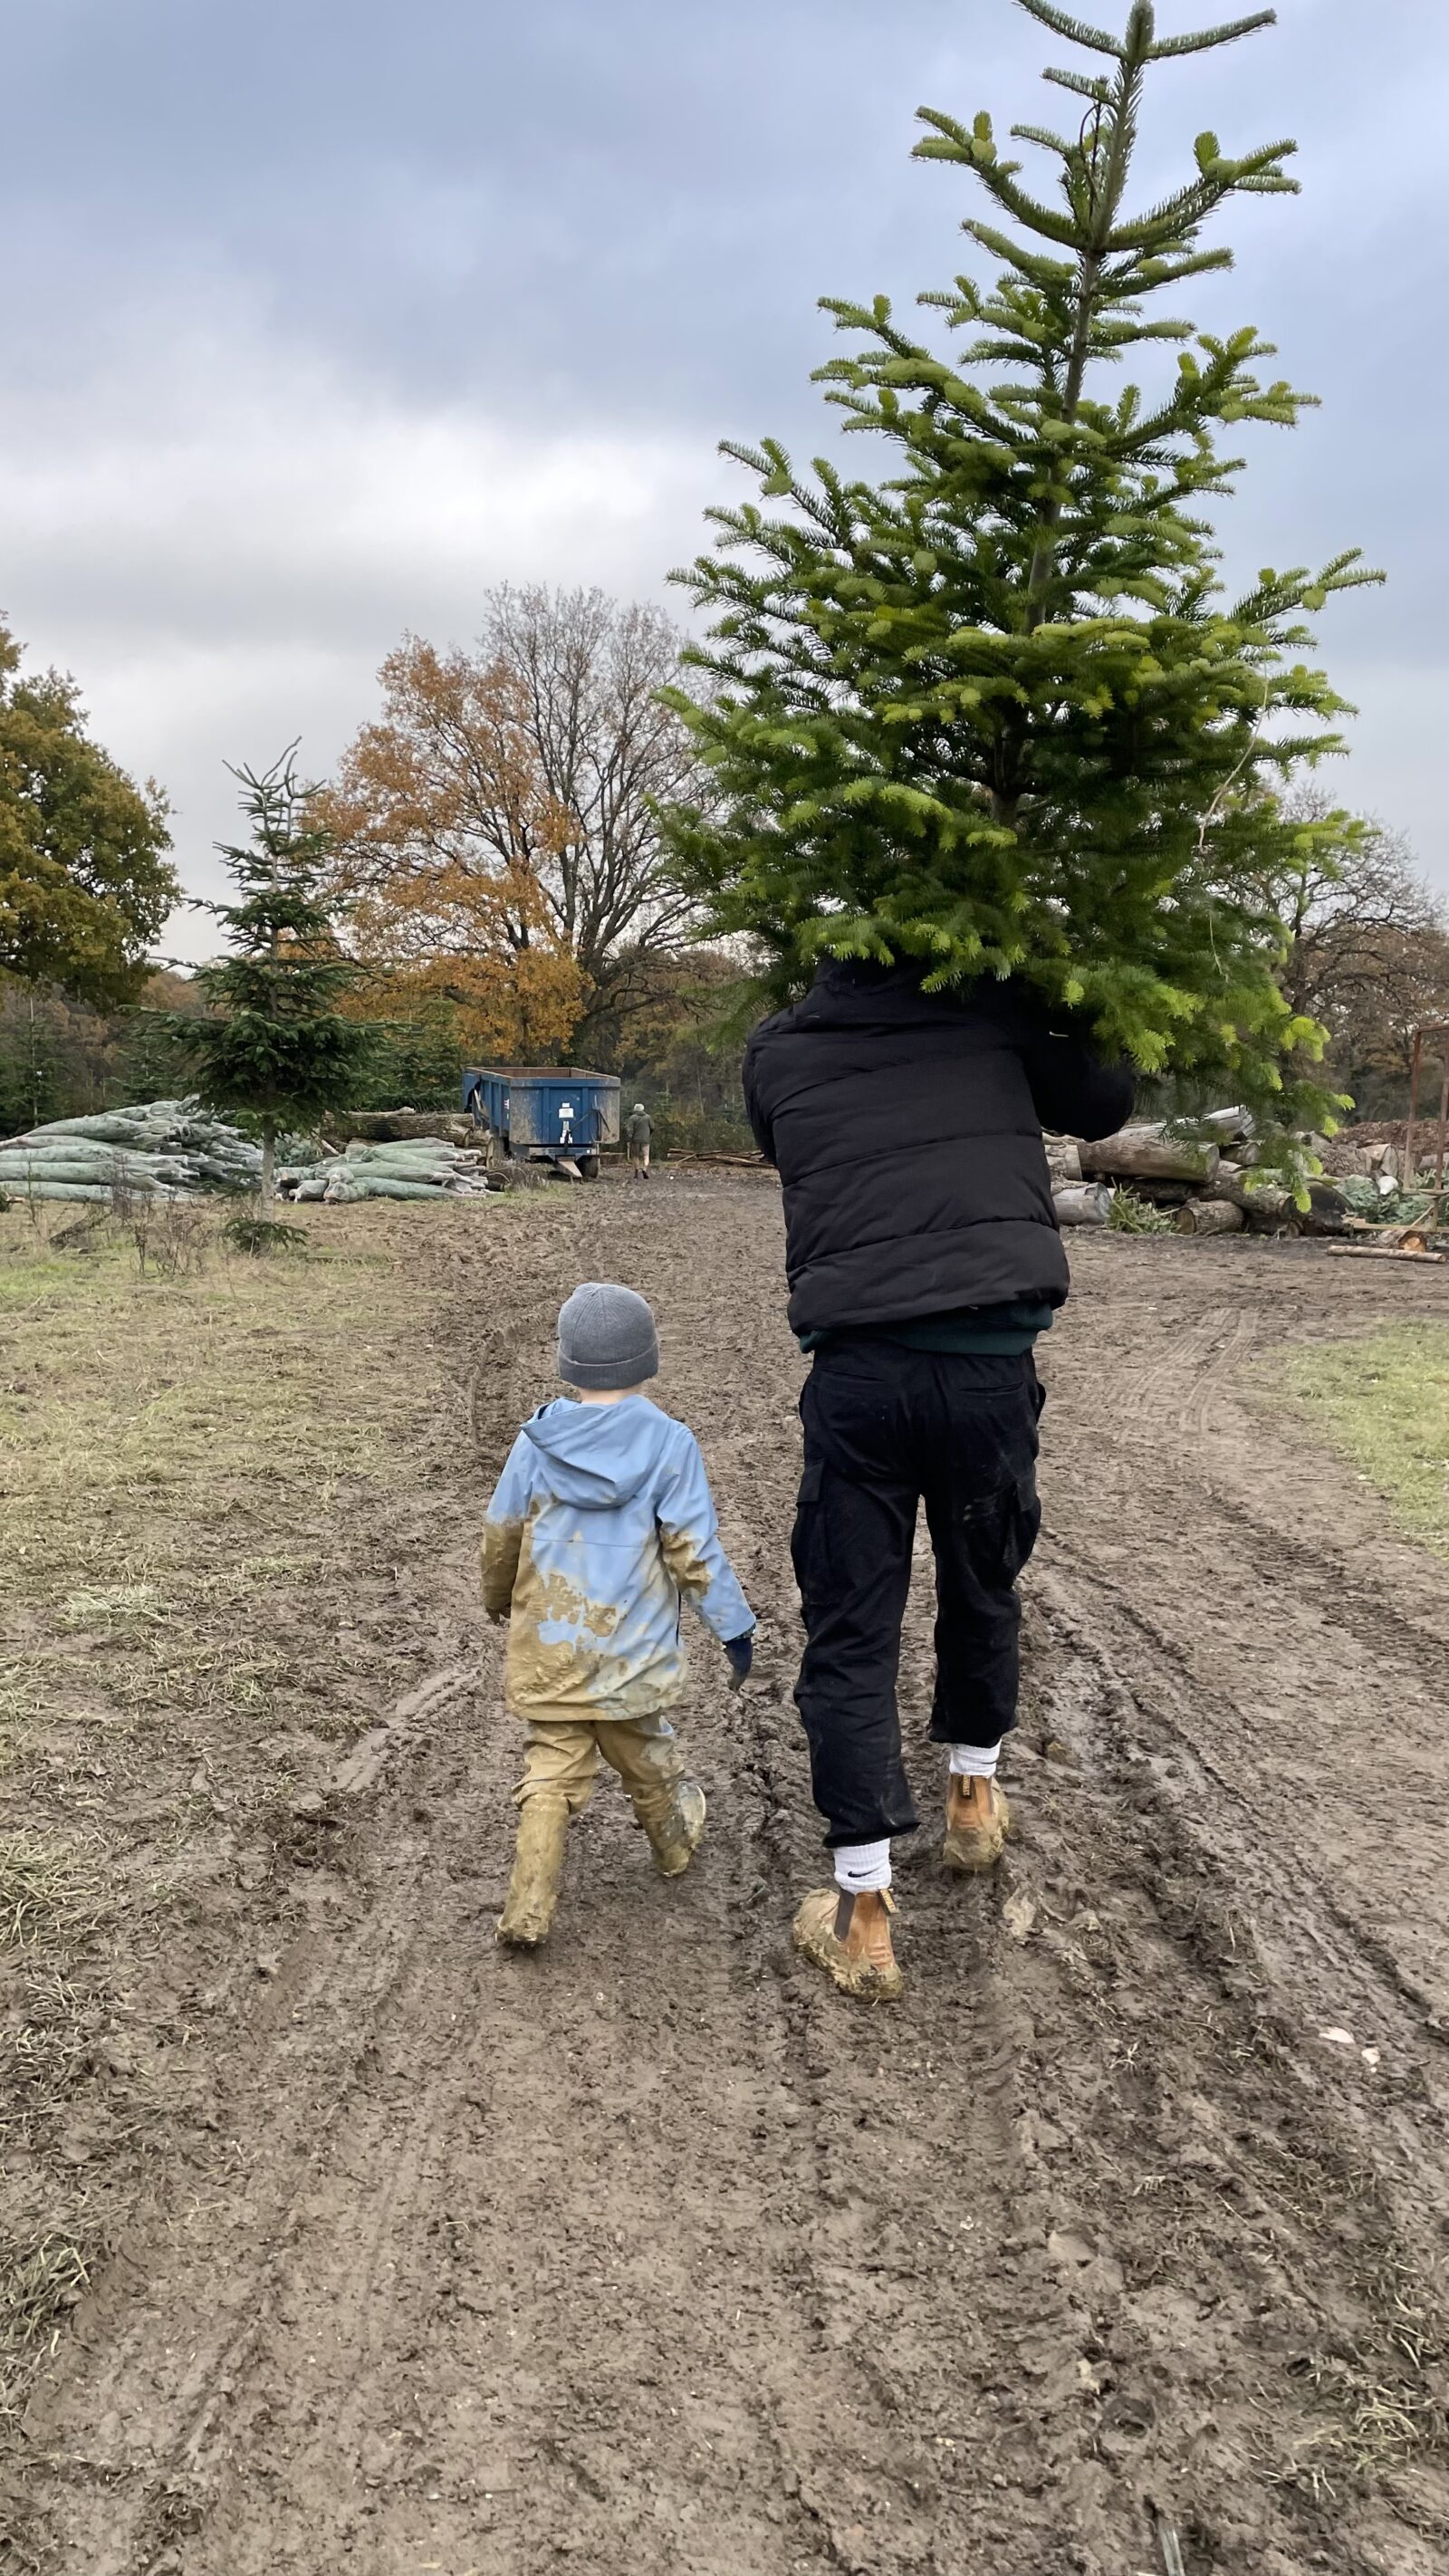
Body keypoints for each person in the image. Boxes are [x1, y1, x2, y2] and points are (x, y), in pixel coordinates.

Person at [744, 960, 1134, 2002]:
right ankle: (972, 1796)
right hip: (989, 1365)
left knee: (851, 1623)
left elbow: (787, 1142)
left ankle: (863, 1914)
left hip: (860, 1373)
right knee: (982, 1580)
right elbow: (1102, 1101)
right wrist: (1064, 982)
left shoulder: (779, 1046)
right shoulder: (997, 1012)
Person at [482, 1282, 755, 1946]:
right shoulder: (670, 1444)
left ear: (567, 1362)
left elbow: (502, 1532)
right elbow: (694, 1549)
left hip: (552, 1643)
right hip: (631, 1651)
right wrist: (733, 1625)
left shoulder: (537, 1442)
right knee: (647, 1756)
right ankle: (672, 1847)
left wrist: (497, 1597)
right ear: (646, 1359)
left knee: (551, 1766)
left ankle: (527, 1908)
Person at [625, 1101, 652, 1178]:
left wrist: (629, 1137)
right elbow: (652, 1127)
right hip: (646, 1140)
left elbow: (630, 1129)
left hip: (635, 1140)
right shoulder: (648, 1117)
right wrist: (649, 1134)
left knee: (635, 1156)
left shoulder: (632, 1118)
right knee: (646, 1155)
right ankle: (644, 1168)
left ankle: (636, 1171)